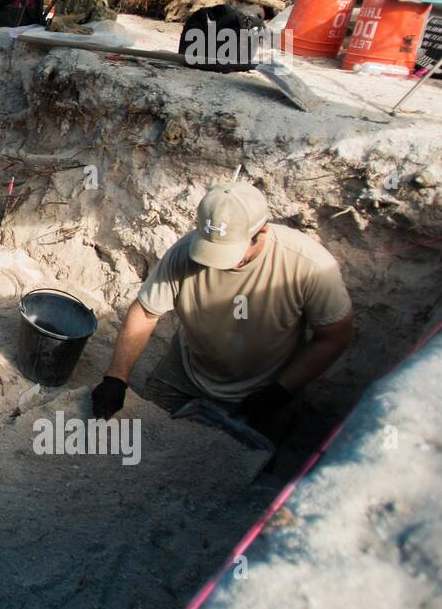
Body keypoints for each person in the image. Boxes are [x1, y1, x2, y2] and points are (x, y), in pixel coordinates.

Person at [91, 183, 354, 446]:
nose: (215, 264)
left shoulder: (310, 266)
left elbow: (333, 337)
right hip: (187, 371)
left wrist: (280, 390)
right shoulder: (183, 255)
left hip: (266, 388)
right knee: (147, 439)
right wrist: (116, 377)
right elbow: (146, 313)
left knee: (247, 467)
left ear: (261, 232)